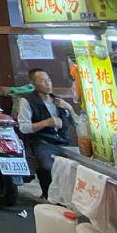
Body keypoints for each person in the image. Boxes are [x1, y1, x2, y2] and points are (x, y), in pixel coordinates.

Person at [16, 68, 75, 199]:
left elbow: (76, 123)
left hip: (64, 142)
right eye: (43, 81)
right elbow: (24, 127)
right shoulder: (28, 101)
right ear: (34, 84)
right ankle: (50, 195)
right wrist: (47, 122)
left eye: (48, 80)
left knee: (75, 168)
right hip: (42, 142)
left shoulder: (58, 101)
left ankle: (65, 197)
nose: (48, 84)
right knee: (49, 166)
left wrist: (69, 108)